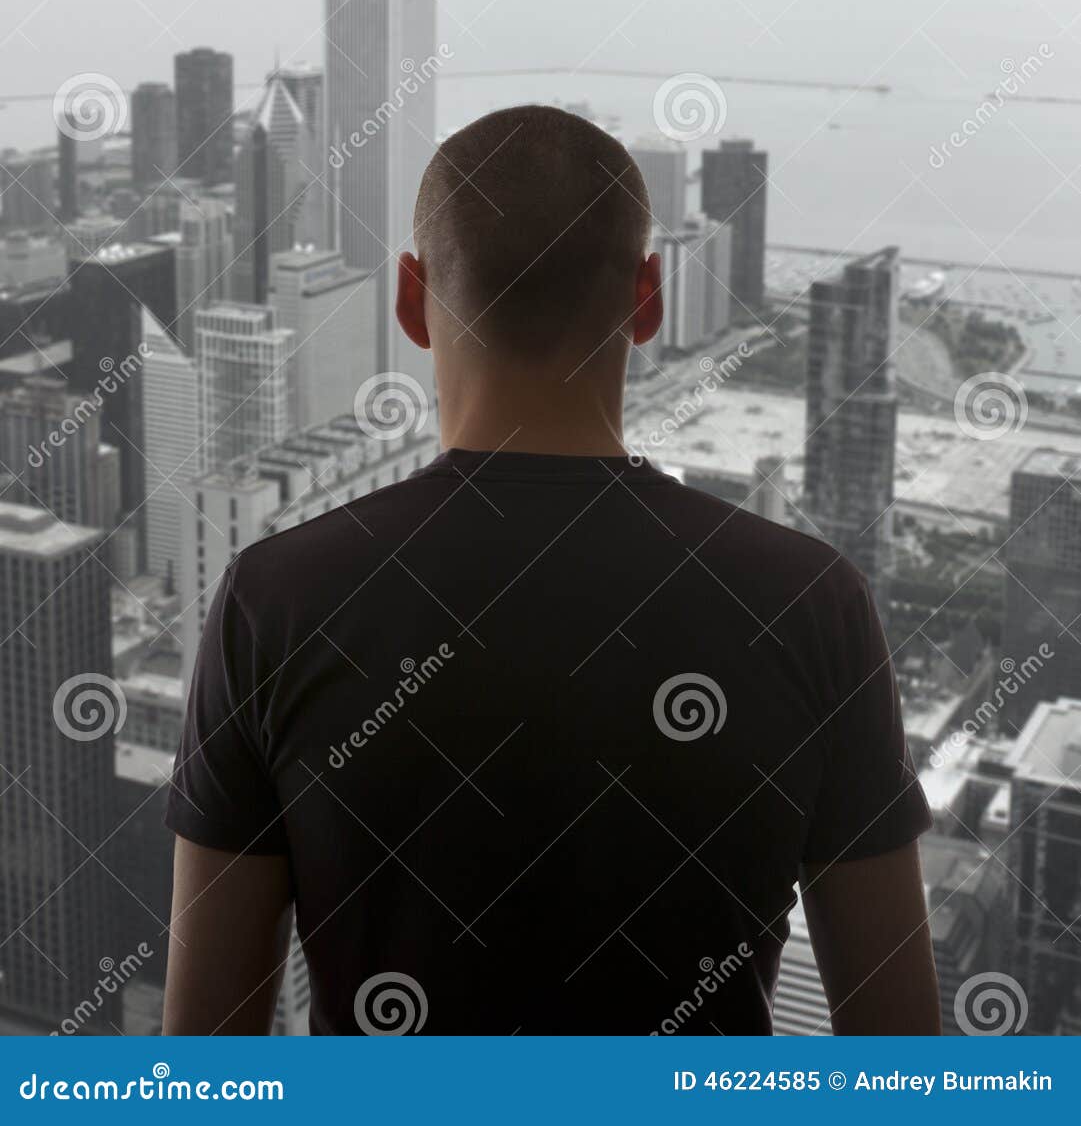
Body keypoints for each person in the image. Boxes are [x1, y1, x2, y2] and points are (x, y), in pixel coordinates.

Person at [163, 104, 940, 1035]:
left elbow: (207, 1060)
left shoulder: (274, 598)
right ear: (647, 297)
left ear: (410, 300)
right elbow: (899, 1057)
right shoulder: (810, 600)